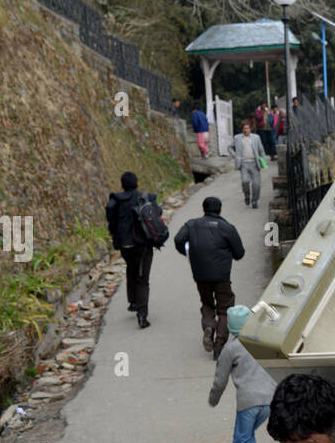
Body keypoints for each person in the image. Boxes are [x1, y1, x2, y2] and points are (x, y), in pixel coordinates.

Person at [209, 306, 276, 443]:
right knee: (247, 434)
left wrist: (213, 399)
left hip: (248, 403)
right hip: (269, 400)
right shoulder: (261, 342)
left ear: (230, 327)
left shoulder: (231, 349)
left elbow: (220, 381)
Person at [174, 196, 244, 359]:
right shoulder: (227, 227)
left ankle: (209, 326)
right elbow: (239, 253)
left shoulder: (192, 224)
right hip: (222, 276)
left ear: (203, 210)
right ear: (220, 210)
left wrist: (188, 253)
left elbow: (178, 239)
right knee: (225, 309)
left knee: (207, 304)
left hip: (200, 275)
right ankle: (218, 348)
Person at [105, 171, 161, 330]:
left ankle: (133, 302)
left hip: (123, 244)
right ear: (137, 184)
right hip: (142, 244)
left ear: (122, 185)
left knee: (131, 268)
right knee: (143, 278)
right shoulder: (144, 197)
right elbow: (158, 212)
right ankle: (142, 315)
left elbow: (111, 219)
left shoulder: (115, 200)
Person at [231, 120, 267, 208]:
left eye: (247, 128)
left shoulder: (256, 137)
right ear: (242, 129)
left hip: (254, 163)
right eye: (244, 128)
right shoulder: (237, 138)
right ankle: (247, 196)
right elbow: (230, 147)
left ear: (251, 129)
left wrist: (263, 161)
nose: (246, 130)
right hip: (243, 164)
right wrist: (235, 155)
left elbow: (261, 150)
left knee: (256, 184)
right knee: (245, 181)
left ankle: (254, 201)